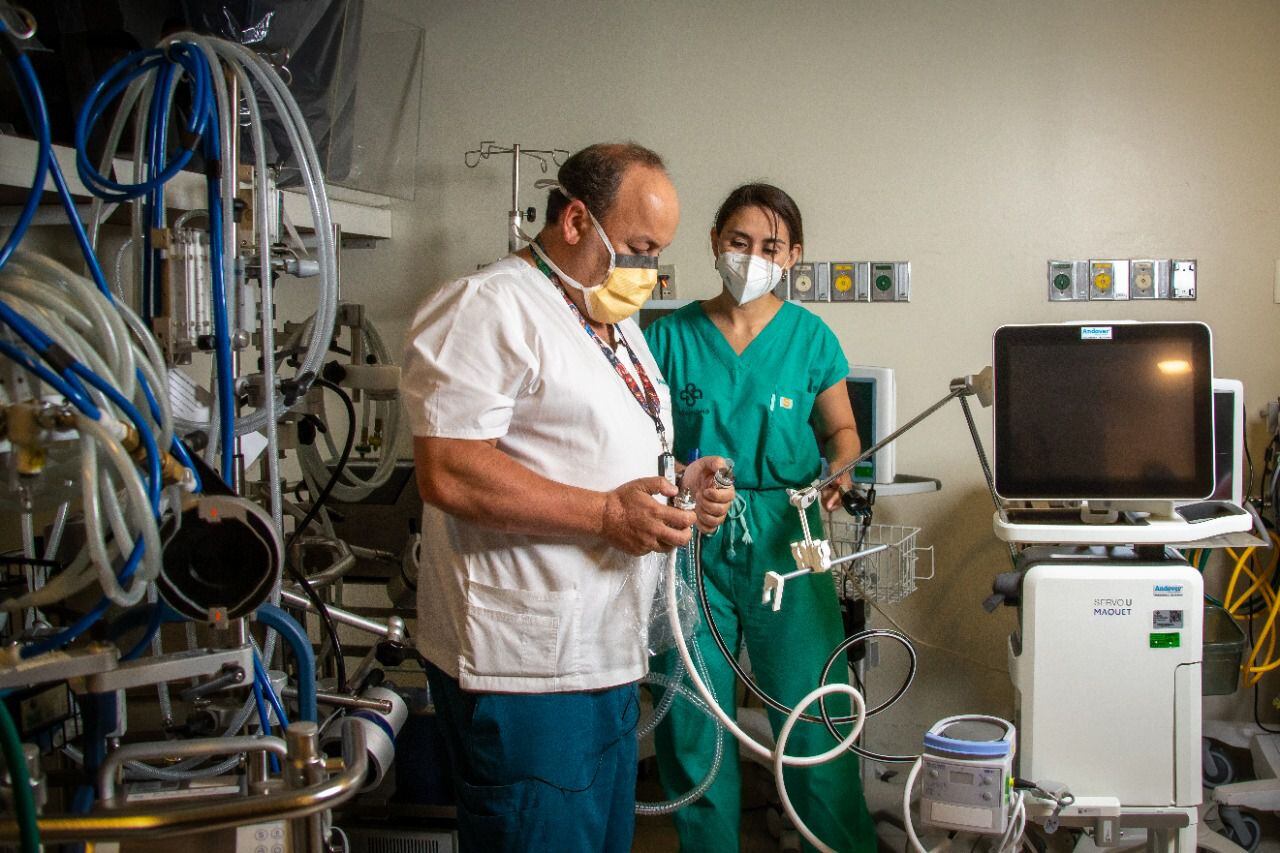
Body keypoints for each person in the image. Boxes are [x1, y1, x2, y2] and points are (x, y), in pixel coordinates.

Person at [400, 142, 734, 852]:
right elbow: (450, 469)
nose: (647, 270)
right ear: (577, 221)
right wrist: (607, 515)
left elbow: (592, 449)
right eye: (638, 248)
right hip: (525, 670)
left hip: (604, 650)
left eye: (657, 253)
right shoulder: (488, 307)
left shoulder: (612, 325)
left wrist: (680, 482)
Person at [644, 183, 875, 852]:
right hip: (692, 535)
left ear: (793, 255)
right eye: (738, 242)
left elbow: (842, 433)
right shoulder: (669, 337)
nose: (752, 257)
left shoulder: (809, 338)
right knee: (694, 720)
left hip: (786, 535)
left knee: (814, 711)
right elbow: (639, 439)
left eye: (770, 246)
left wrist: (841, 469)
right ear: (715, 242)